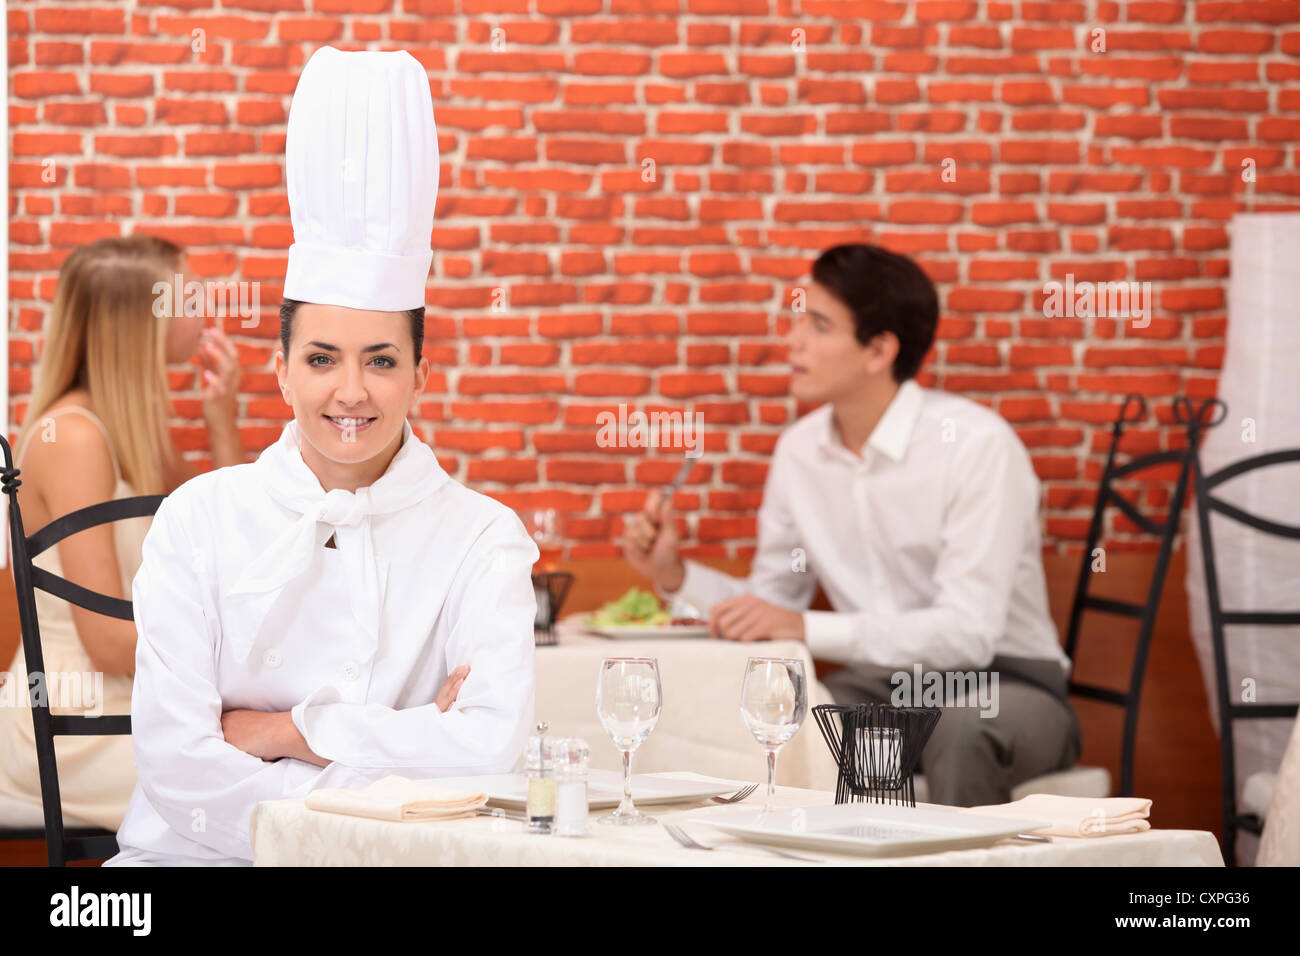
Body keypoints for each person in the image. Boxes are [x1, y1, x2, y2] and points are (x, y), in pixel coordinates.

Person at [105, 46, 537, 866]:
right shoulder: (198, 519)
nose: (350, 392)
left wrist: (284, 732)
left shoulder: (484, 537)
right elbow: (177, 766)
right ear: (280, 369)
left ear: (419, 373)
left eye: (380, 359)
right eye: (320, 358)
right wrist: (403, 754)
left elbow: (491, 751)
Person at [622, 243, 1082, 807]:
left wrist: (805, 628)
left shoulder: (978, 446)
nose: (793, 340)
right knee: (789, 725)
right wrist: (673, 575)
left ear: (879, 350)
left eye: (818, 325)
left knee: (962, 734)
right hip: (879, 685)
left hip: (1002, 680)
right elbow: (770, 606)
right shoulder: (799, 452)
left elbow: (968, 632)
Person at [0, 235, 243, 831]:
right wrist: (232, 668)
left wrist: (222, 426)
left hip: (134, 705)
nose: (203, 313)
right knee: (257, 789)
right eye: (188, 300)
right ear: (142, 323)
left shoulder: (133, 431)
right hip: (75, 725)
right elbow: (108, 642)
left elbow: (236, 545)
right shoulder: (76, 438)